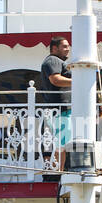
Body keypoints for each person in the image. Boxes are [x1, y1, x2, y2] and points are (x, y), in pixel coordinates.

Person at [39, 35, 72, 173]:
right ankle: (59, 171)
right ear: (54, 48)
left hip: (60, 109)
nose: (68, 49)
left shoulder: (56, 60)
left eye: (68, 46)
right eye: (64, 46)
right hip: (58, 109)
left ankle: (60, 169)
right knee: (61, 141)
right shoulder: (53, 60)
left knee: (62, 140)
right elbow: (55, 79)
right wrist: (78, 81)